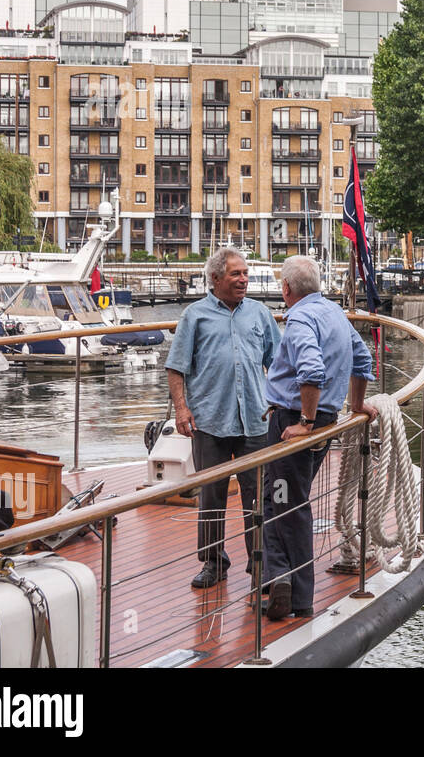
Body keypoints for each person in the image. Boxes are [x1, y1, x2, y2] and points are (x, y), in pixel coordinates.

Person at [262, 255, 378, 620]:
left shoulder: (300, 317)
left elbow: (310, 370)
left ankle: (297, 595)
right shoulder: (334, 314)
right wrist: (357, 404)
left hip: (293, 422)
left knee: (286, 503)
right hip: (326, 420)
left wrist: (304, 423)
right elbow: (363, 359)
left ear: (286, 289)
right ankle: (277, 576)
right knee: (277, 497)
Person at [165, 247, 280, 589]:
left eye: (245, 273)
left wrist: (281, 404)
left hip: (255, 421)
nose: (243, 279)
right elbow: (176, 367)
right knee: (211, 496)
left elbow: (278, 362)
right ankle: (214, 563)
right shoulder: (195, 316)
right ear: (215, 279)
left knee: (257, 497)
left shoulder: (260, 314)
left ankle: (260, 566)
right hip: (210, 421)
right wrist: (181, 408)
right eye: (236, 274)